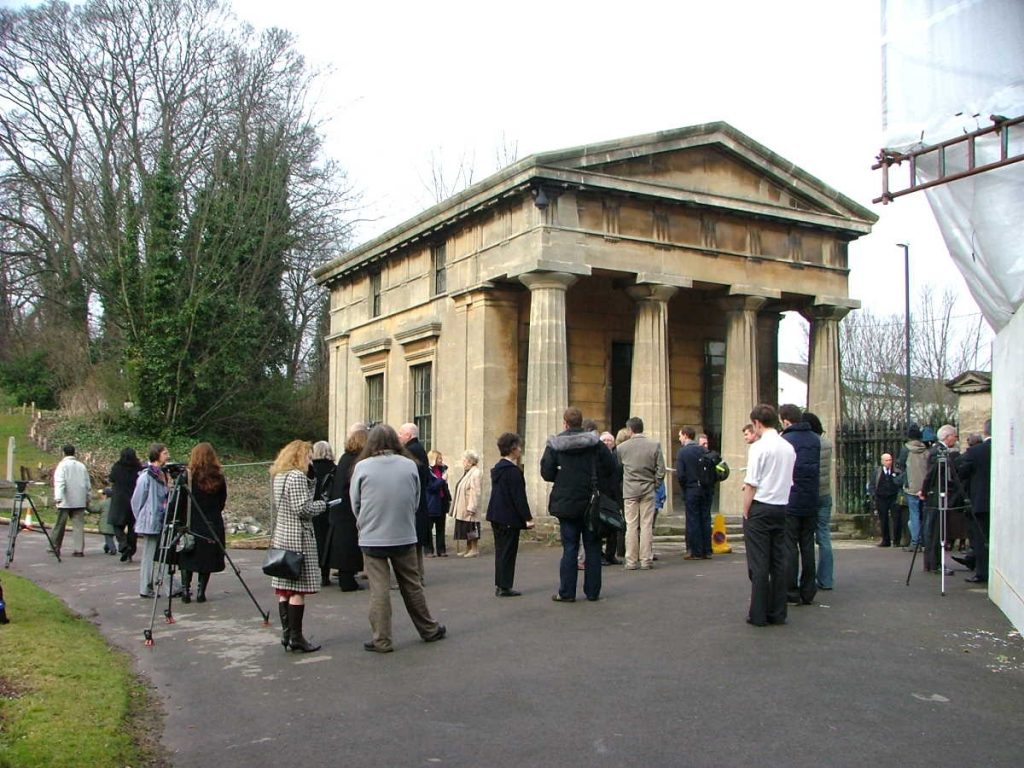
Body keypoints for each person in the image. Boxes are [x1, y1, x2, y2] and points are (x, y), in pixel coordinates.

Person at [350, 424, 446, 653]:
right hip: (403, 534)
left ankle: (382, 639)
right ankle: (428, 629)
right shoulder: (410, 466)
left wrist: (364, 523)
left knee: (379, 590)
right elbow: (415, 499)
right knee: (412, 586)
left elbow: (355, 503)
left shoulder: (362, 467)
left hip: (373, 536)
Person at [541, 406, 617, 602]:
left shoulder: (555, 444)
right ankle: (592, 592)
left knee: (570, 547)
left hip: (566, 501)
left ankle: (566, 592)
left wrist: (564, 475)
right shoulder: (594, 444)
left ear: (565, 423)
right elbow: (611, 466)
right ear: (581, 423)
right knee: (592, 546)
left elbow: (546, 473)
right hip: (591, 500)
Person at [269, 440, 332, 653]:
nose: (311, 459)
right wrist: (323, 505)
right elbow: (302, 508)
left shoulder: (280, 476)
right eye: (308, 456)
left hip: (282, 534)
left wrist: (311, 480)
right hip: (298, 536)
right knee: (297, 589)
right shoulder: (296, 477)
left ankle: (287, 634)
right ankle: (296, 637)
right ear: (300, 456)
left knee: (284, 589)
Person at [742, 404, 796, 627]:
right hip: (781, 506)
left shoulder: (759, 448)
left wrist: (746, 510)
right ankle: (778, 612)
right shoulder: (788, 447)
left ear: (757, 423)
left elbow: (751, 482)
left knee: (759, 563)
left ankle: (758, 614)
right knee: (778, 560)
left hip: (761, 506)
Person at [779, 403, 819, 606]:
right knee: (807, 545)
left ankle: (791, 590)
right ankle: (809, 590)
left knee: (790, 547)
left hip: (791, 499)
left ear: (786, 421)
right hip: (811, 499)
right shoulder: (815, 439)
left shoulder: (785, 440)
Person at [177, 443, 227, 604]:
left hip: (192, 521)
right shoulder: (218, 477)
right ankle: (201, 591)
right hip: (212, 522)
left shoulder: (187, 476)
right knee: (206, 559)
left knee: (188, 555)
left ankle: (185, 589)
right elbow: (222, 501)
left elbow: (180, 501)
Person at [485, 432, 534, 597]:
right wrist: (527, 518)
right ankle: (505, 585)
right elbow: (519, 497)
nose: (520, 450)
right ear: (513, 449)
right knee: (508, 552)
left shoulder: (498, 469)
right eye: (518, 447)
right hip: (508, 516)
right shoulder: (513, 472)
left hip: (496, 514)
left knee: (501, 551)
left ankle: (500, 584)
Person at [616, 417, 666, 571]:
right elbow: (661, 470)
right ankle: (646, 560)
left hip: (630, 490)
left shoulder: (622, 448)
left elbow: (619, 469)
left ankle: (631, 560)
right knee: (646, 525)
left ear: (630, 430)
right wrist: (655, 484)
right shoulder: (654, 445)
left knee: (631, 526)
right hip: (648, 489)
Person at [324, 424, 368, 592]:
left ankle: (346, 577)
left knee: (344, 543)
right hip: (349, 507)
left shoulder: (345, 458)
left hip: (340, 506)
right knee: (349, 544)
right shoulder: (357, 461)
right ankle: (347, 580)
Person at [919, 424, 962, 575]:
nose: (955, 439)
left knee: (937, 530)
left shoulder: (940, 450)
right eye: (954, 436)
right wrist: (924, 490)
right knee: (936, 530)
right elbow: (931, 474)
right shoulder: (938, 452)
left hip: (938, 494)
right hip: (936, 495)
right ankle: (934, 562)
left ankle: (934, 562)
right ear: (947, 436)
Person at [132, 443, 171, 598]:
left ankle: (169, 586)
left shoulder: (162, 474)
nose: (167, 456)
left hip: (161, 517)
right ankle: (145, 587)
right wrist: (143, 517)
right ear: (157, 454)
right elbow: (137, 500)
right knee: (149, 555)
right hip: (150, 519)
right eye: (165, 453)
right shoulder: (146, 476)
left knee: (165, 553)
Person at [802, 412, 835, 590]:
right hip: (825, 493)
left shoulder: (808, 443)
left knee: (805, 537)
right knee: (824, 537)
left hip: (809, 494)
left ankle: (805, 577)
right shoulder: (827, 443)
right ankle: (826, 578)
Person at [398, 423, 434, 580]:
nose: (399, 437)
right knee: (416, 543)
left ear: (408, 435)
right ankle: (418, 574)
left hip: (413, 502)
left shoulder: (411, 452)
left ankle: (414, 576)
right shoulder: (419, 450)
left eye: (401, 434)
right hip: (419, 501)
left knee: (411, 543)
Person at [957, 418, 991, 583]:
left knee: (980, 539)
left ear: (985, 431)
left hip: (981, 501)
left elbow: (961, 473)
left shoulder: (976, 452)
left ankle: (982, 572)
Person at [52, 444, 91, 558]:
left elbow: (60, 482)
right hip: (79, 500)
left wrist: (58, 498)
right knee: (78, 526)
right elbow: (87, 483)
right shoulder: (81, 466)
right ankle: (79, 549)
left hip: (65, 500)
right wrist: (87, 497)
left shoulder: (62, 465)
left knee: (60, 525)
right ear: (74, 453)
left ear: (63, 453)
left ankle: (54, 546)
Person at [676, 426, 709, 560]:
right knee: (704, 518)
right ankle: (707, 549)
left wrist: (684, 487)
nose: (679, 438)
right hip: (705, 488)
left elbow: (681, 475)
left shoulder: (683, 452)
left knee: (693, 519)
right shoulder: (703, 450)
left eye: (680, 436)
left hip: (691, 488)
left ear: (685, 435)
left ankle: (696, 551)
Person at [896, 425, 929, 550]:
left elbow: (901, 465)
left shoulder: (906, 449)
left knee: (914, 514)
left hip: (911, 485)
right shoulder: (925, 450)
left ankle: (915, 542)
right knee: (924, 515)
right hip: (924, 486)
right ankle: (925, 541)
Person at [308, 441, 336, 587]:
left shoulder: (309, 469)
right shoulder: (334, 469)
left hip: (312, 508)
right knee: (327, 541)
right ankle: (325, 574)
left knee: (314, 542)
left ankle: (311, 574)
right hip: (329, 507)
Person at [108, 447, 142, 561]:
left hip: (119, 500)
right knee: (133, 527)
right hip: (134, 499)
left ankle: (123, 544)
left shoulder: (117, 467)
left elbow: (111, 478)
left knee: (117, 525)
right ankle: (131, 550)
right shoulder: (138, 468)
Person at [451, 450, 483, 558]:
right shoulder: (468, 472)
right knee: (466, 527)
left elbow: (475, 491)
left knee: (472, 527)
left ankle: (474, 549)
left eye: (464, 460)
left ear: (470, 461)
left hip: (469, 505)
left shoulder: (475, 473)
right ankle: (468, 548)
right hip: (463, 506)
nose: (463, 462)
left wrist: (472, 507)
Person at [598, 431, 623, 565]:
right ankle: (600, 555)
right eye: (604, 441)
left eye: (610, 441)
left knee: (614, 526)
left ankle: (610, 554)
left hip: (614, 495)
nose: (607, 443)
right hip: (601, 495)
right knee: (600, 527)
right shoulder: (597, 456)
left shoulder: (617, 456)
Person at [868, 453, 902, 548]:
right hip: (881, 498)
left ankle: (896, 540)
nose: (889, 462)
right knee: (883, 519)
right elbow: (872, 484)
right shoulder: (876, 472)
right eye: (886, 460)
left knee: (896, 519)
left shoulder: (897, 471)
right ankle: (885, 540)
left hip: (893, 497)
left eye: (890, 460)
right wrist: (874, 494)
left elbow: (900, 483)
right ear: (882, 461)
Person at [425, 450, 451, 557]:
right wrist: (441, 480)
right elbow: (431, 487)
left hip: (441, 501)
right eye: (439, 458)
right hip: (431, 502)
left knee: (441, 527)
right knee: (429, 528)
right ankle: (428, 550)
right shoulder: (428, 471)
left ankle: (441, 549)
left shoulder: (442, 469)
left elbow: (444, 486)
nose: (441, 460)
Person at [91, 488, 118, 555]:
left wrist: (87, 506)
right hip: (115, 522)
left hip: (106, 523)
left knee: (108, 537)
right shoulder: (116, 502)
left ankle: (113, 549)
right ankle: (107, 547)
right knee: (109, 537)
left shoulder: (103, 503)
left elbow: (94, 509)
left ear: (105, 495)